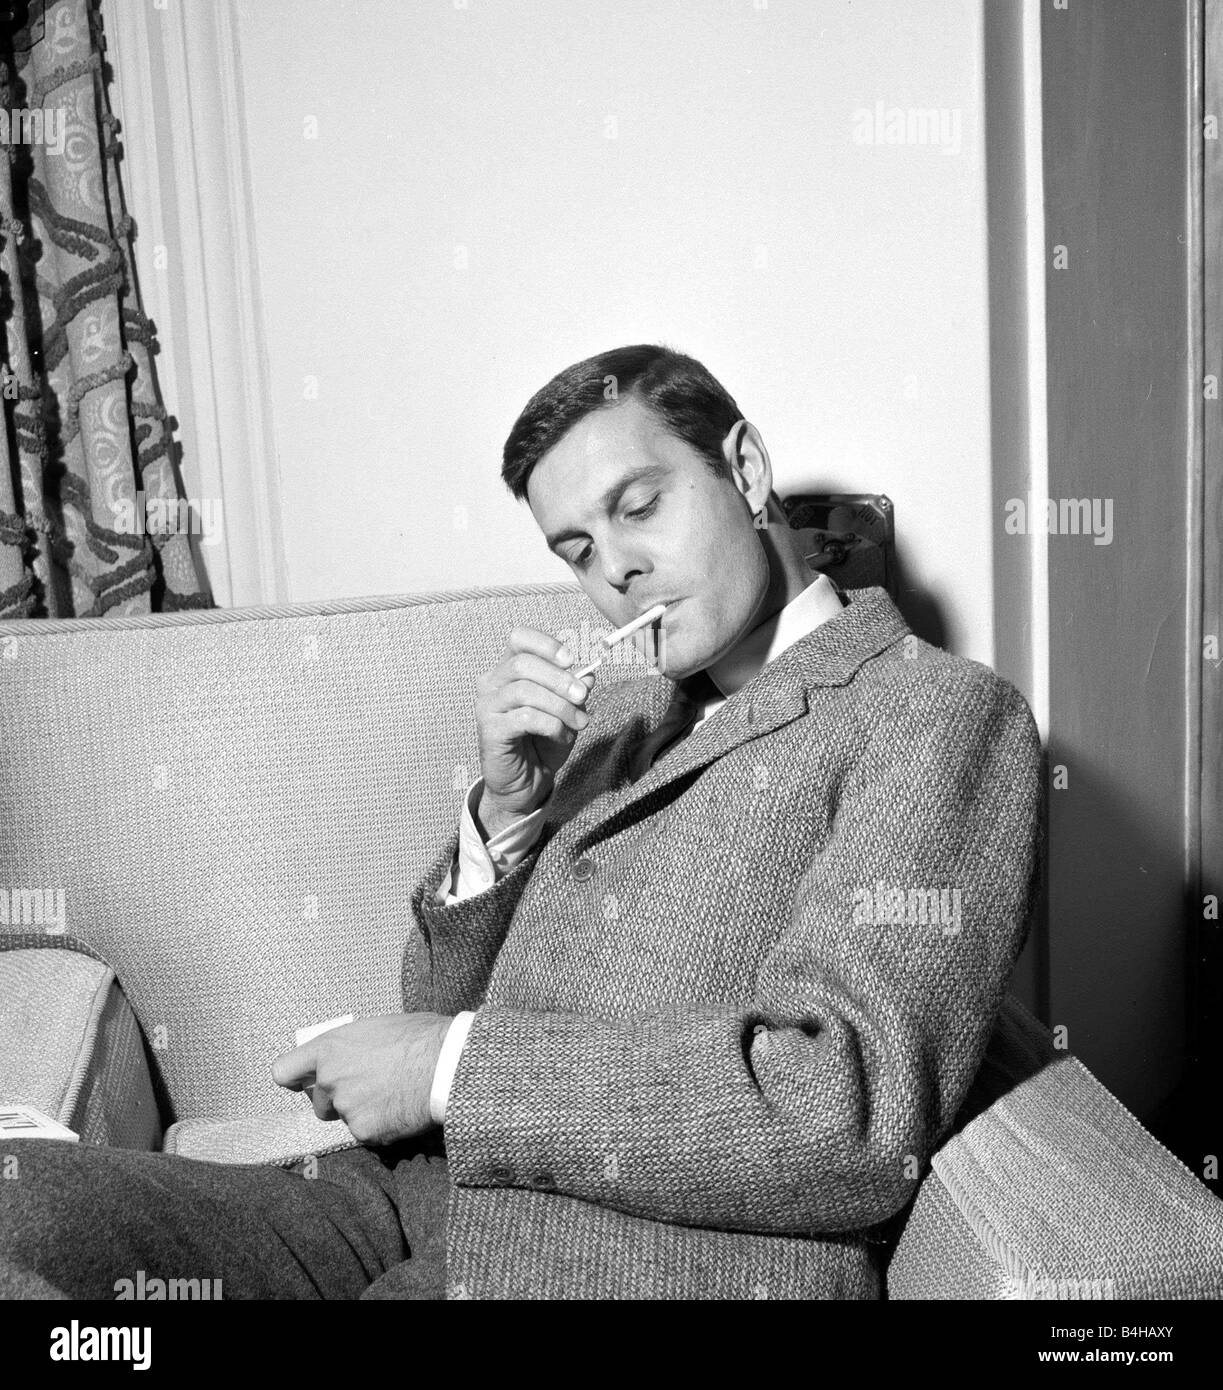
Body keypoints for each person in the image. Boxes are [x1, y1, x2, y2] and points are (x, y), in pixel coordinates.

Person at [0, 344, 1043, 1300]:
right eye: (578, 547)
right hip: (400, 1203)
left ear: (745, 467)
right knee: (20, 1202)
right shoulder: (630, 706)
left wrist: (445, 1068)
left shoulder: (934, 711)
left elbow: (843, 1114)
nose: (614, 571)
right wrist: (503, 814)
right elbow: (440, 999)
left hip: (621, 1263)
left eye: (640, 506)